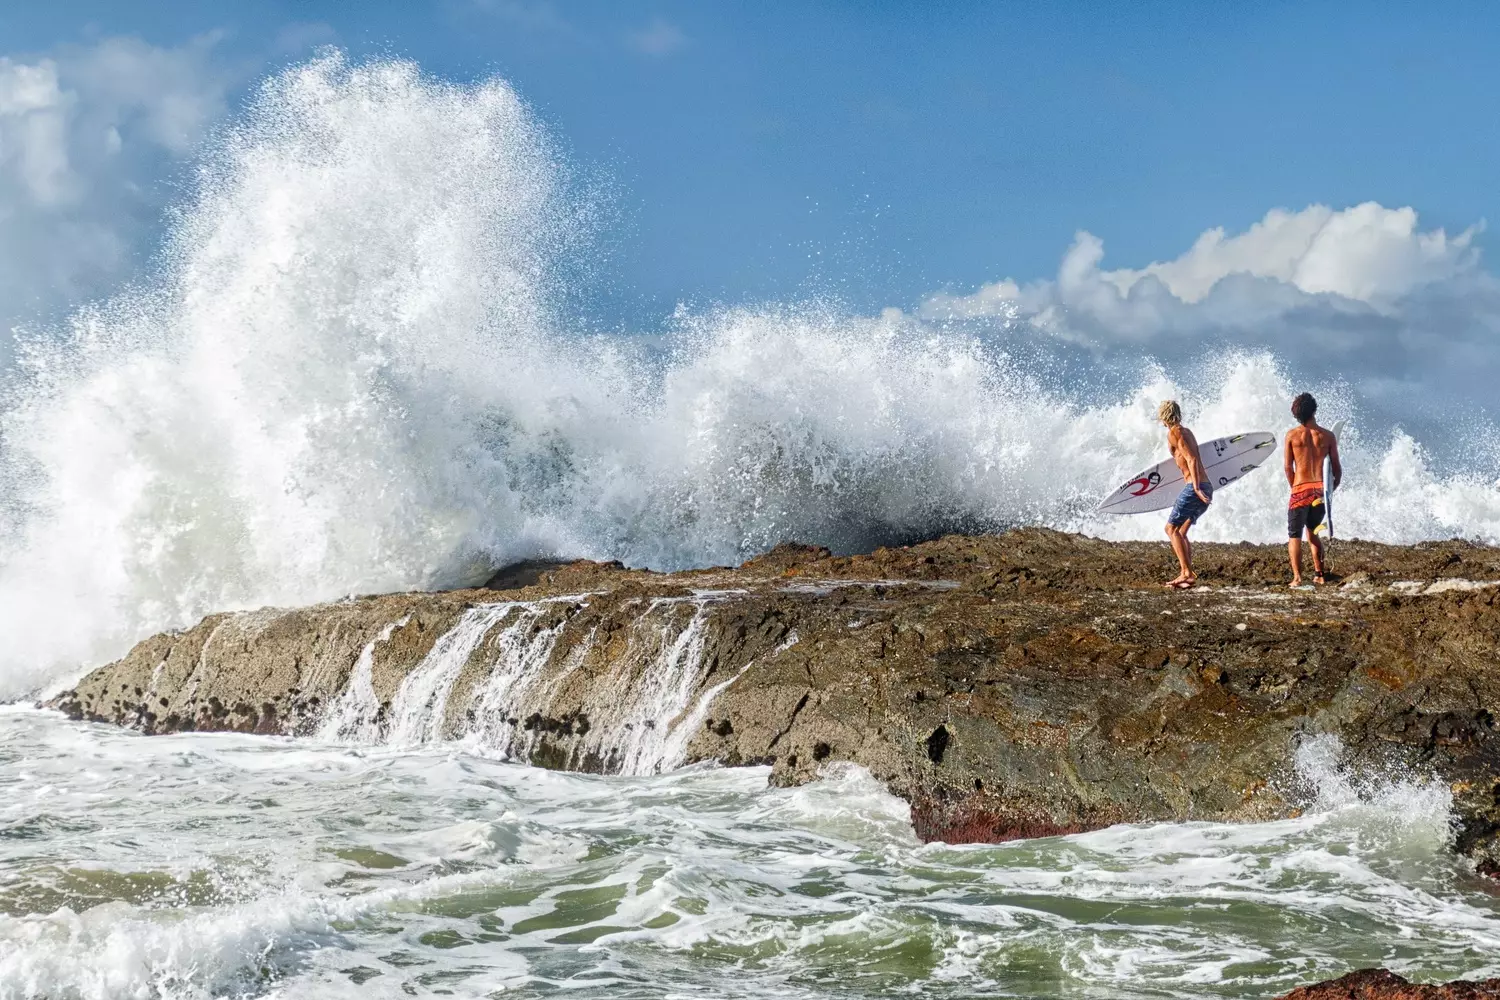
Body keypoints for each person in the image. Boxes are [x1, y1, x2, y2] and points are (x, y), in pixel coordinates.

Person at [1284, 392, 1341, 587]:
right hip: (1320, 491)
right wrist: (1332, 488)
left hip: (1300, 490)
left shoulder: (1292, 436)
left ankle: (1297, 578)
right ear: (1314, 410)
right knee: (1313, 532)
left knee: (1294, 536)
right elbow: (1336, 467)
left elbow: (1287, 467)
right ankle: (1319, 574)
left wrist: (1295, 488)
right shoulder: (1327, 436)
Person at [1158, 400, 1211, 589]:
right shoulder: (1187, 431)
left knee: (1170, 529)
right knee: (1181, 532)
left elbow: (1192, 459)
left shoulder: (1174, 432)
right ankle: (1188, 575)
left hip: (1195, 487)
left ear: (1164, 416)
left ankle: (1186, 572)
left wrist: (1195, 488)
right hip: (1206, 486)